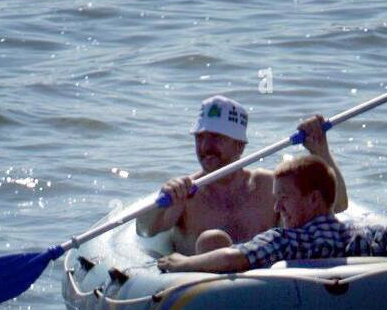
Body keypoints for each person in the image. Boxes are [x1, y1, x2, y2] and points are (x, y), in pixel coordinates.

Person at [156, 156, 387, 273]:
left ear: (314, 199)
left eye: (284, 199)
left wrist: (182, 262)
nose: (277, 208)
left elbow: (230, 259)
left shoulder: (286, 241)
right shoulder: (372, 235)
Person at [136, 94, 348, 255]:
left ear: (239, 146)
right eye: (199, 138)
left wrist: (320, 151)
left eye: (216, 137)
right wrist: (163, 200)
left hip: (266, 288)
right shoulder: (186, 192)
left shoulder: (268, 185)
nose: (205, 146)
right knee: (213, 240)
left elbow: (337, 205)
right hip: (202, 294)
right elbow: (145, 230)